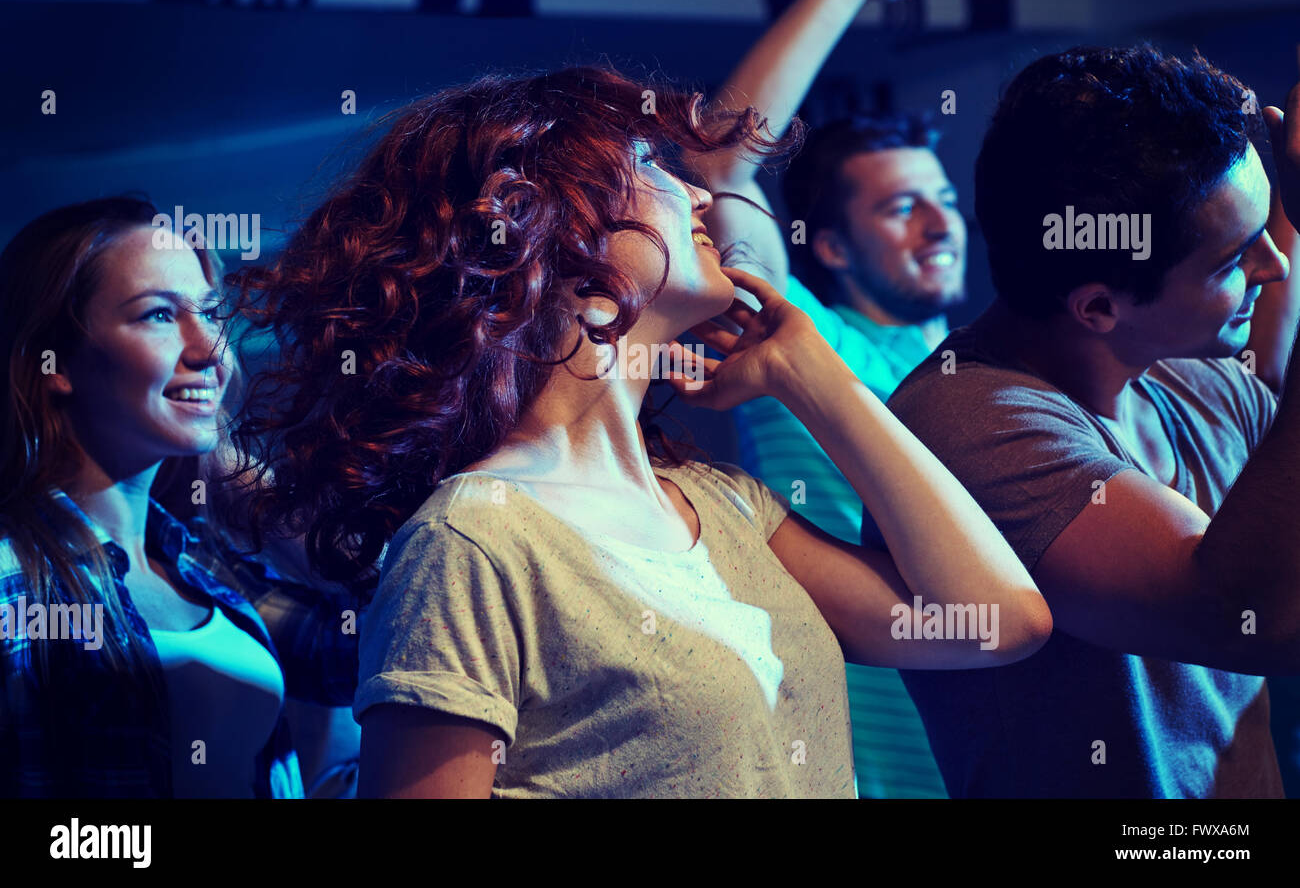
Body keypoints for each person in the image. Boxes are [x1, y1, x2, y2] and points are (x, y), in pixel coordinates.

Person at [225, 64, 1051, 798]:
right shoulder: (473, 540)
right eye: (650, 166)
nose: (698, 195)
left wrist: (813, 375)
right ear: (558, 250)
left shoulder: (727, 509)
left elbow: (999, 621)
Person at [882, 44, 1300, 797]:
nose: (1276, 267)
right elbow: (1257, 618)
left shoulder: (1196, 378)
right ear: (1099, 306)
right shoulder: (967, 427)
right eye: (1235, 257)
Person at [684, 0, 968, 798]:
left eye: (945, 200)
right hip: (869, 767)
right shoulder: (800, 339)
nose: (938, 224)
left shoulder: (1000, 370)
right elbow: (721, 153)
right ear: (834, 246)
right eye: (901, 207)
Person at [0, 197, 354, 797]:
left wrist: (241, 484)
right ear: (53, 363)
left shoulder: (197, 562)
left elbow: (356, 653)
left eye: (210, 312)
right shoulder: (13, 576)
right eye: (159, 316)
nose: (210, 349)